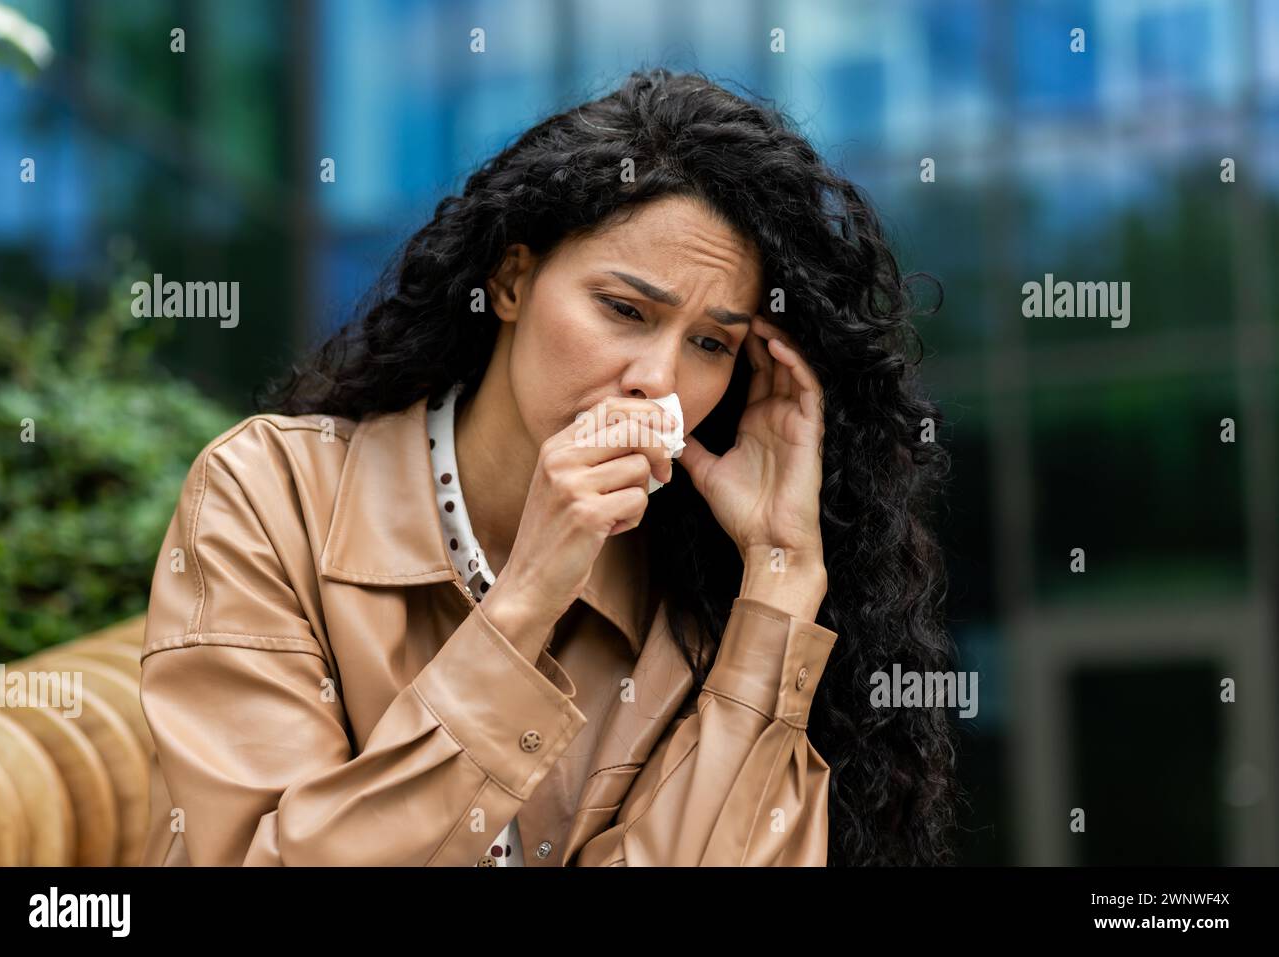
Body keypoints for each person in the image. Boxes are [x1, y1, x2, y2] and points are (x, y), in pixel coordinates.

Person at [138, 68, 957, 866]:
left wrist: (779, 579)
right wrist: (524, 601)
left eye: (711, 343)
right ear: (511, 279)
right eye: (625, 309)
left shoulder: (695, 597)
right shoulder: (269, 496)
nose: (658, 378)